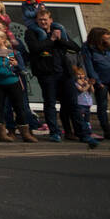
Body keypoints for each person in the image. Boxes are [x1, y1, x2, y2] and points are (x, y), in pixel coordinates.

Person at [25, 8, 80, 142]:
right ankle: (54, 132)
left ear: (51, 20)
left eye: (45, 19)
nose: (43, 22)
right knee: (50, 103)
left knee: (71, 103)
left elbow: (75, 48)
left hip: (64, 72)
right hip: (46, 74)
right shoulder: (32, 33)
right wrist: (52, 39)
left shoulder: (59, 31)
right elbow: (35, 49)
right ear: (36, 21)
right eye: (40, 20)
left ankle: (76, 132)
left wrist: (59, 39)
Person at [0, 24, 36, 142]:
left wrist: (16, 65)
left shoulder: (14, 52)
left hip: (12, 82)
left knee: (19, 107)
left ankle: (25, 134)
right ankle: (2, 134)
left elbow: (22, 70)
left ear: (3, 39)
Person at [71, 66, 101, 147]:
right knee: (82, 119)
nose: (81, 76)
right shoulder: (76, 83)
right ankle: (83, 132)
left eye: (82, 75)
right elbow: (82, 90)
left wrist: (90, 84)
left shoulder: (86, 82)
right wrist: (88, 84)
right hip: (80, 104)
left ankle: (89, 132)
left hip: (87, 104)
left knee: (87, 120)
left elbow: (92, 91)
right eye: (79, 75)